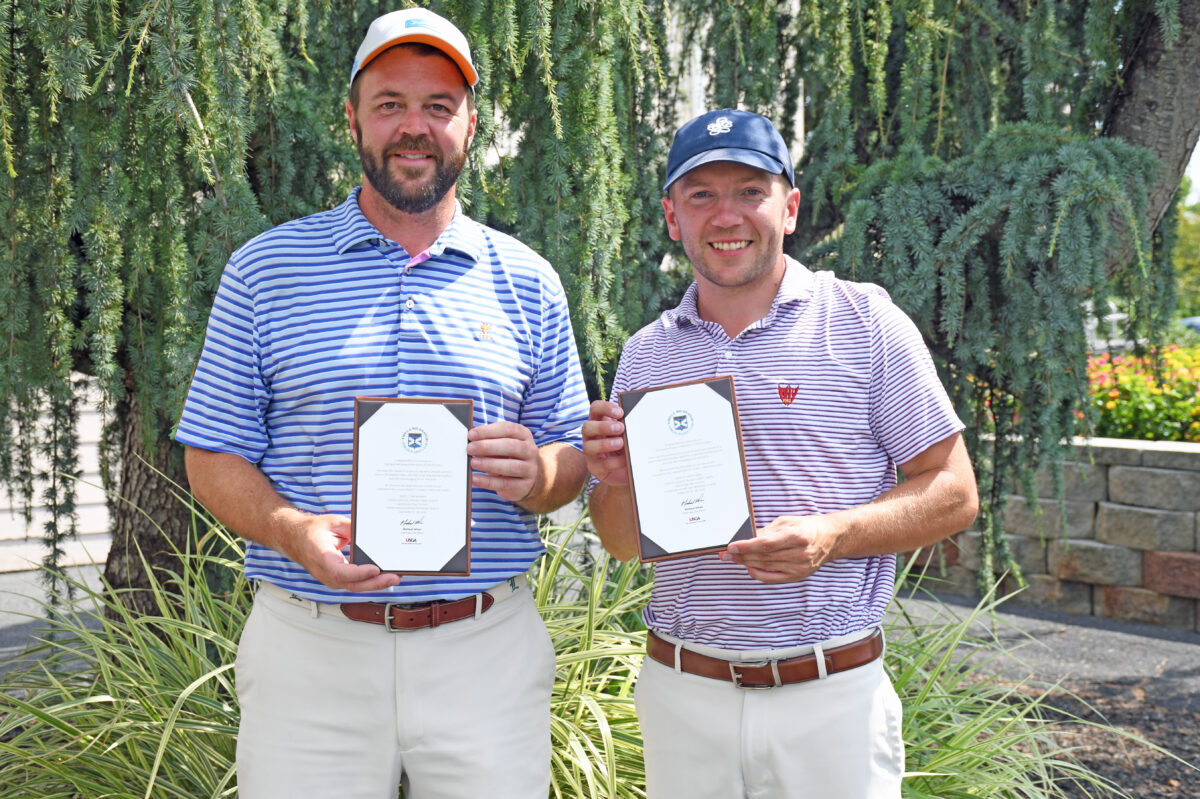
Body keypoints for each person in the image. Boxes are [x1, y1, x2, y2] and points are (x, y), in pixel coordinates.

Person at [175, 8, 590, 799]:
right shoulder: (265, 272)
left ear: (470, 122)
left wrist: (540, 474)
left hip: (485, 651)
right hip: (311, 646)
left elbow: (571, 454)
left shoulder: (529, 281)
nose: (414, 127)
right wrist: (290, 529)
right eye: (391, 103)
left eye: (438, 106)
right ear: (353, 117)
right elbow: (213, 453)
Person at [583, 109, 979, 798]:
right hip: (683, 693)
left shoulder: (863, 320)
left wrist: (835, 534)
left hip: (829, 698)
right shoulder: (648, 352)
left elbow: (952, 489)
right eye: (701, 194)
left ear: (789, 207)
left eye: (750, 191)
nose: (726, 214)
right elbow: (621, 543)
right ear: (673, 216)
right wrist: (614, 482)